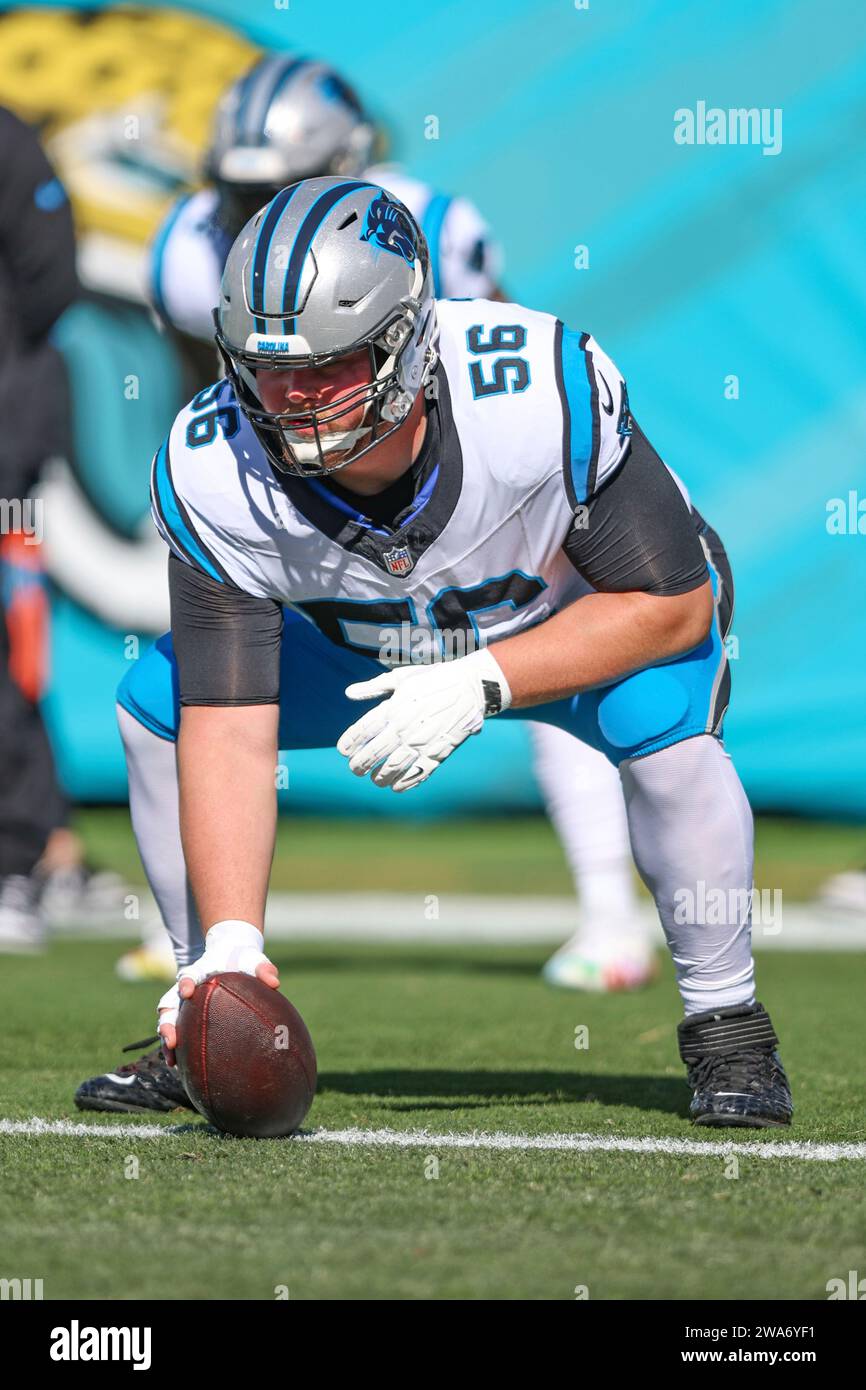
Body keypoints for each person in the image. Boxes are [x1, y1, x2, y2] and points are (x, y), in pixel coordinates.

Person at [90, 178, 792, 1129]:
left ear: (408, 341)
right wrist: (228, 943)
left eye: (327, 369)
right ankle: (204, 1009)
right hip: (370, 644)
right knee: (157, 706)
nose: (291, 400)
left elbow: (673, 606)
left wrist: (485, 680)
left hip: (567, 626)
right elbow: (228, 719)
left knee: (664, 733)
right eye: (266, 367)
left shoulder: (536, 387)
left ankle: (728, 1028)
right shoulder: (213, 464)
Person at [111, 51, 651, 1001]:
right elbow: (233, 393)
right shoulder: (188, 248)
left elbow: (458, 389)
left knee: (567, 636)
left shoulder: (429, 229)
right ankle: (210, 950)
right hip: (307, 497)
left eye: (278, 187)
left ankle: (611, 910)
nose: (262, 215)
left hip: (468, 491)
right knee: (179, 694)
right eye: (242, 193)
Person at [0, 107, 78, 952]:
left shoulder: (7, 139)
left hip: (4, 434)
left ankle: (19, 857)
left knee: (10, 642)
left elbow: (51, 280)